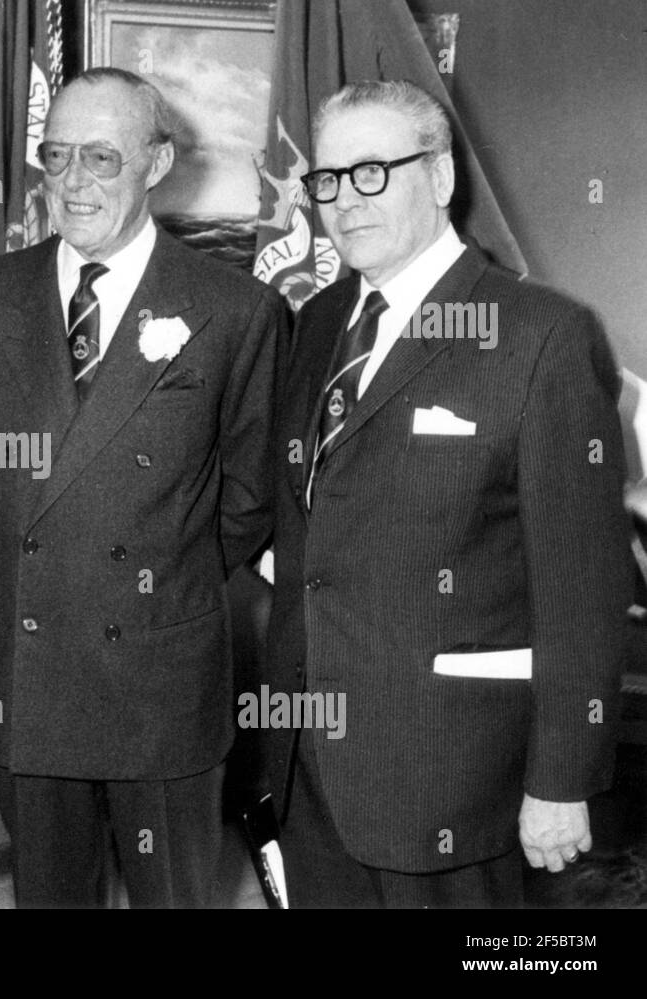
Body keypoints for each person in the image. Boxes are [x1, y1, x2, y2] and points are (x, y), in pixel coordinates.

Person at [261, 80, 630, 907]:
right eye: (326, 179)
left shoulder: (540, 335)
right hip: (311, 766)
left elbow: (584, 586)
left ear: (440, 177)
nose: (343, 202)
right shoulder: (318, 323)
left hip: (454, 776)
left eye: (371, 173)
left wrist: (563, 777)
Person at [0, 67, 287, 908]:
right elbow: (4, 477)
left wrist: (161, 581)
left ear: (158, 163)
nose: (70, 182)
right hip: (31, 665)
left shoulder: (235, 308)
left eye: (100, 157)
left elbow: (250, 494)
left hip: (161, 672)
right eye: (55, 156)